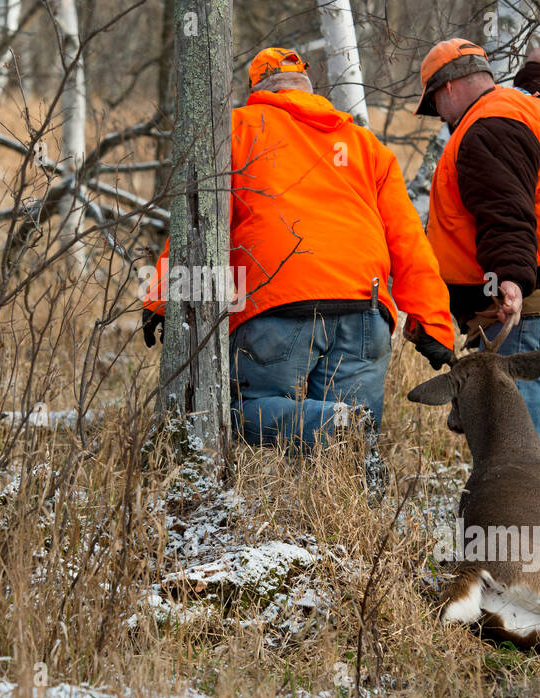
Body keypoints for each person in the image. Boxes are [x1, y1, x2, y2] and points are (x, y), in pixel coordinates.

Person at [143, 46, 454, 453]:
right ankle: (353, 458)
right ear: (308, 88)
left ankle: (331, 422)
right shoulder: (364, 145)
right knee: (354, 450)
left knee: (241, 412)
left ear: (257, 87)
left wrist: (162, 299)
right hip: (365, 309)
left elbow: (199, 221)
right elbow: (408, 239)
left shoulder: (234, 129)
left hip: (277, 304)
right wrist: (434, 323)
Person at [416, 36, 540, 474]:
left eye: (435, 106)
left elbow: (505, 209)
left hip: (536, 309)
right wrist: (537, 69)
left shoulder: (485, 127)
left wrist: (509, 280)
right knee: (531, 447)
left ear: (446, 90)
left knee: (528, 457)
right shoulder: (527, 109)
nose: (442, 120)